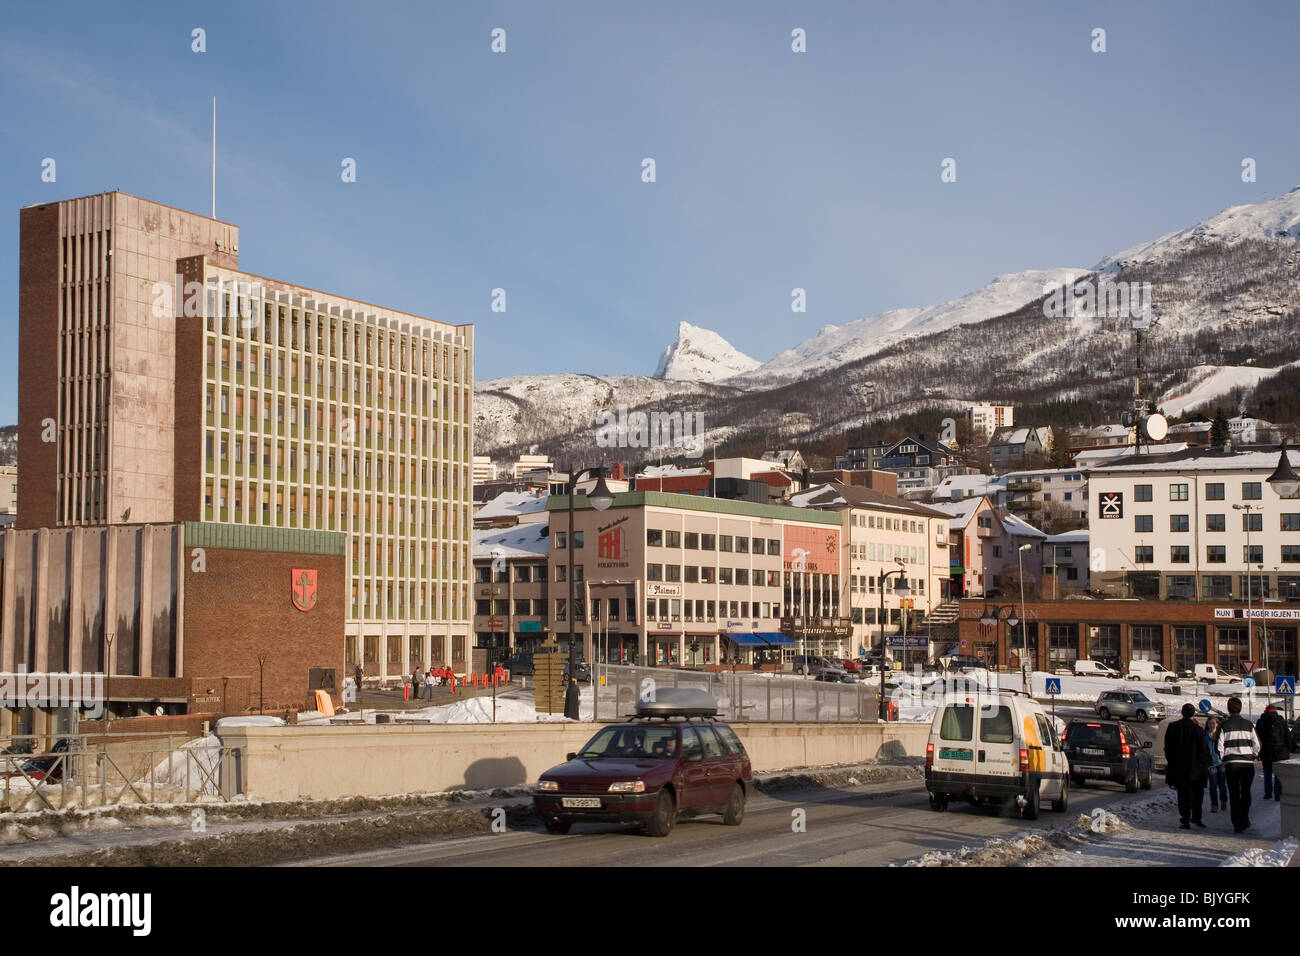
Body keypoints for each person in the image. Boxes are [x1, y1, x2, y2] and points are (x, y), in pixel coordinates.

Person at [1164, 703, 1211, 829]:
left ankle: (1185, 819)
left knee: (1182, 794)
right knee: (1197, 794)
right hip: (1196, 769)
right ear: (1193, 714)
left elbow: (1168, 748)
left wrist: (1172, 762)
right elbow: (1202, 751)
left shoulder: (1173, 727)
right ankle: (1197, 817)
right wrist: (1204, 764)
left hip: (1179, 768)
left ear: (1182, 712)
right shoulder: (1198, 730)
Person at [1219, 696, 1261, 834]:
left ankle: (1237, 823)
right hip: (1247, 764)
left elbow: (1219, 746)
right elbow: (1257, 744)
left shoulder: (1224, 725)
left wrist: (1224, 757)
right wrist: (1253, 755)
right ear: (1240, 708)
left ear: (1228, 709)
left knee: (1234, 793)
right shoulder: (1249, 724)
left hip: (1232, 764)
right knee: (1246, 792)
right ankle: (1244, 819)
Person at [1255, 703, 1291, 800]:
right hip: (1280, 753)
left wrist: (1258, 752)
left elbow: (1257, 739)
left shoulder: (1260, 722)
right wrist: (1288, 750)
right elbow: (1287, 736)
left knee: (1267, 773)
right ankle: (1278, 794)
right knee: (1278, 774)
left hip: (1266, 752)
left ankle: (1268, 793)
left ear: (1265, 711)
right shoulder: (1281, 721)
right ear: (1275, 711)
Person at [1205, 716, 1228, 813]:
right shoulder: (1205, 735)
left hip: (1221, 762)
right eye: (1209, 723)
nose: (1211, 725)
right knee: (1213, 786)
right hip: (1210, 764)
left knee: (1222, 784)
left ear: (1217, 724)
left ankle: (1223, 800)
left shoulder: (1221, 735)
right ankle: (1214, 804)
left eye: (1213, 723)